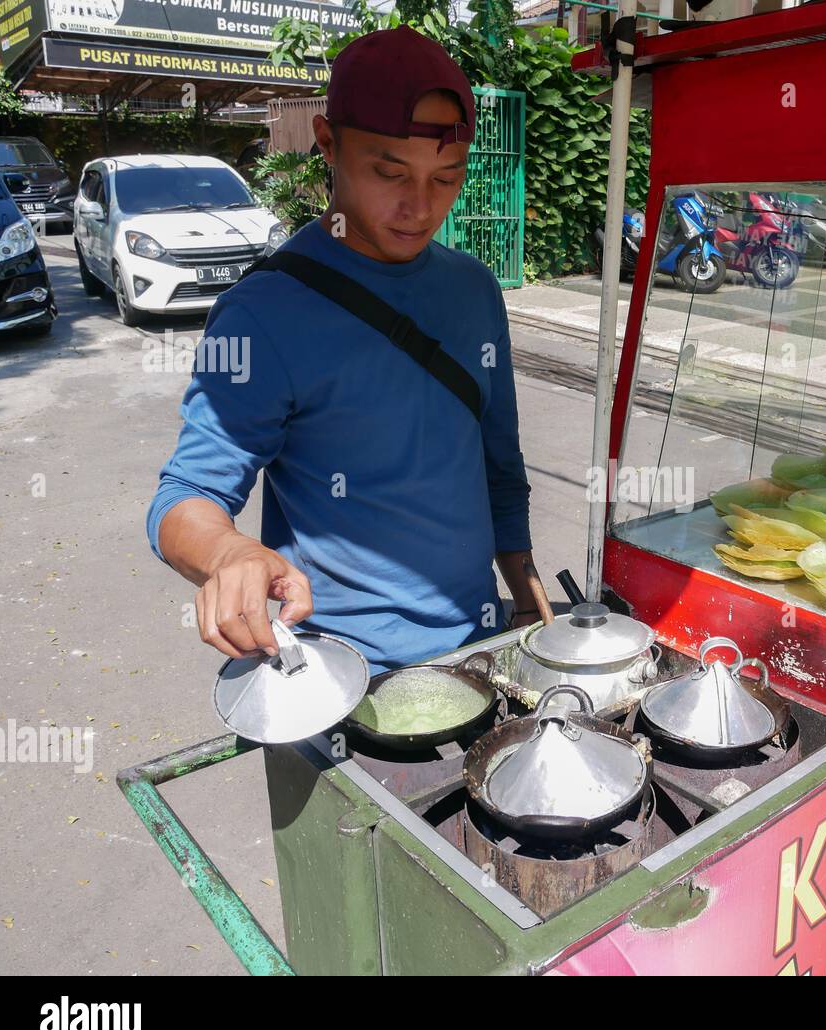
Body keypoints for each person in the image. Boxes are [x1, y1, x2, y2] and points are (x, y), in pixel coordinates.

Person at [146, 25, 540, 672]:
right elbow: (183, 497)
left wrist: (524, 598)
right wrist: (227, 554)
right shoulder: (262, 313)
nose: (419, 206)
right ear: (327, 142)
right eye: (389, 172)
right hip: (341, 676)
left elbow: (499, 463)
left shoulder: (473, 291)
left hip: (481, 649)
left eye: (446, 178)